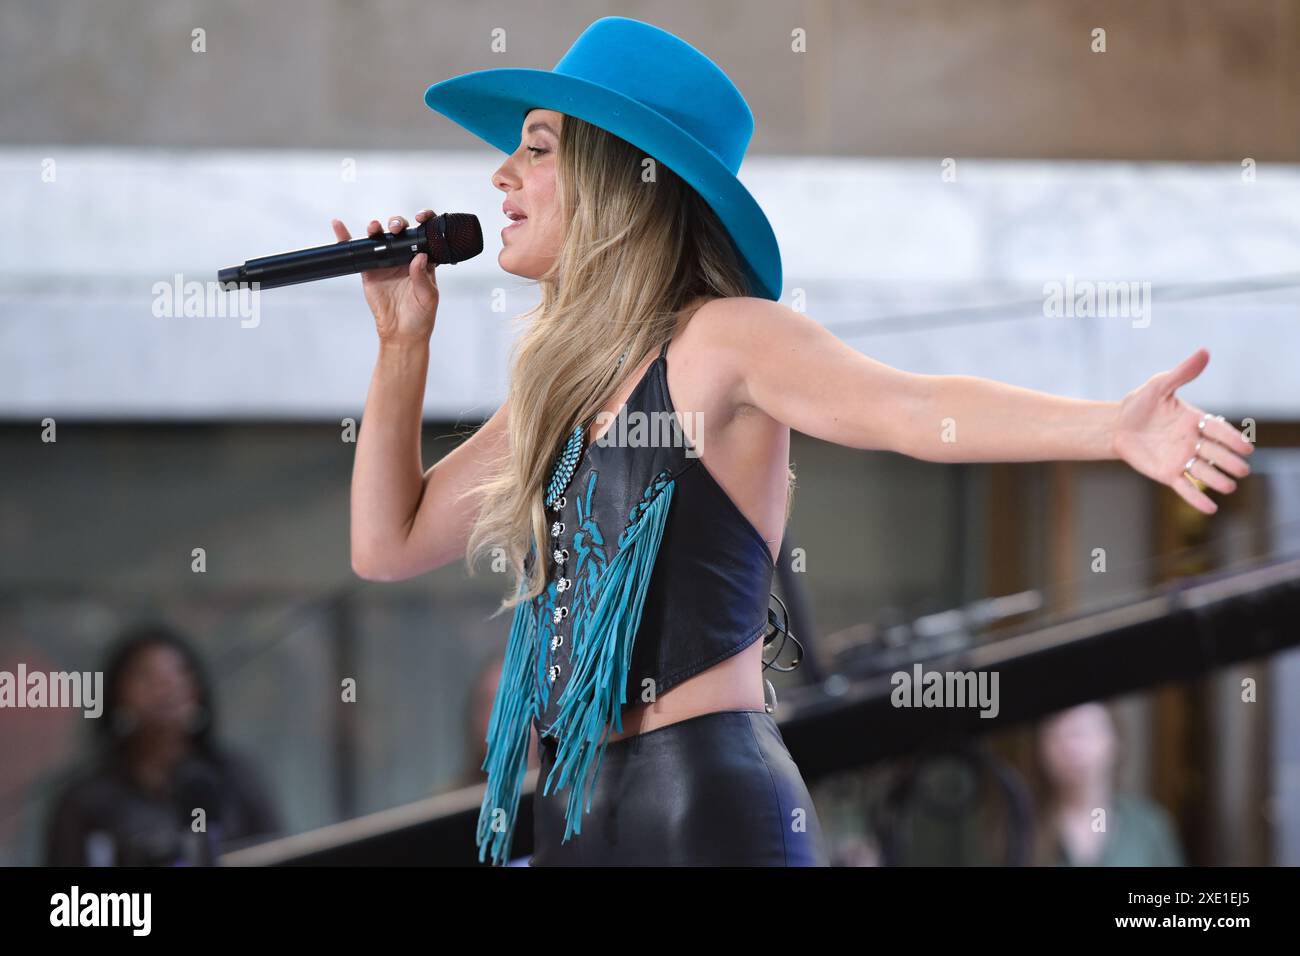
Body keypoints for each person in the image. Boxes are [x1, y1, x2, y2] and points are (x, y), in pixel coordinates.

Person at [345, 16, 1253, 866]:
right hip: (574, 804)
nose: (501, 174)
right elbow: (387, 543)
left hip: (705, 795)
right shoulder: (555, 393)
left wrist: (1110, 426)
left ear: (622, 174)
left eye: (536, 149)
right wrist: (400, 346)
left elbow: (911, 409)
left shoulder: (724, 338)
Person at [43, 622, 280, 866]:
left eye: (179, 672)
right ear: (117, 694)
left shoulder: (234, 778)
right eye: (146, 676)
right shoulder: (86, 800)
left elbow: (277, 853)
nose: (166, 687)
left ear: (196, 690)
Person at [1032, 702, 1185, 866]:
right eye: (1058, 733)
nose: (1071, 747)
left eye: (1083, 731)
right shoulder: (1025, 828)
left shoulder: (1148, 827)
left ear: (1115, 740)